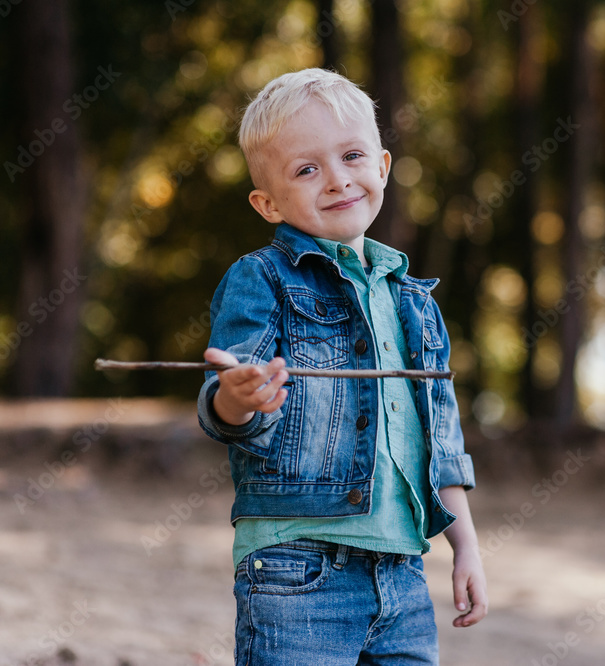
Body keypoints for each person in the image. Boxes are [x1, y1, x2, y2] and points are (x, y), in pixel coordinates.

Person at [196, 67, 487, 665]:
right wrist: (239, 399)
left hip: (402, 571)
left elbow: (442, 440)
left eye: (352, 156)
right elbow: (229, 402)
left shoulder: (416, 303)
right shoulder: (262, 280)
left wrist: (466, 546)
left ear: (382, 166)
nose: (337, 179)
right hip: (296, 565)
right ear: (267, 203)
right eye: (306, 169)